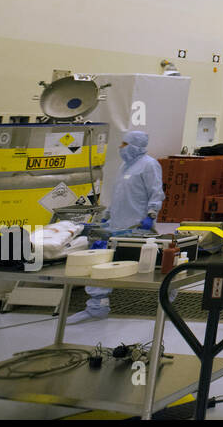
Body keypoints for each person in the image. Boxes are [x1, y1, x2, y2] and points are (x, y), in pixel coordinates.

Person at [68, 129, 165, 323]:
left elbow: (156, 192)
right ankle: (97, 307)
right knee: (104, 264)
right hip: (117, 224)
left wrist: (151, 215)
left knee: (151, 264)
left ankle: (169, 297)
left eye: (125, 144)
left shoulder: (149, 165)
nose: (121, 147)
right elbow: (119, 193)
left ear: (136, 146)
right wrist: (107, 215)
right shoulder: (124, 166)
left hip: (137, 225)